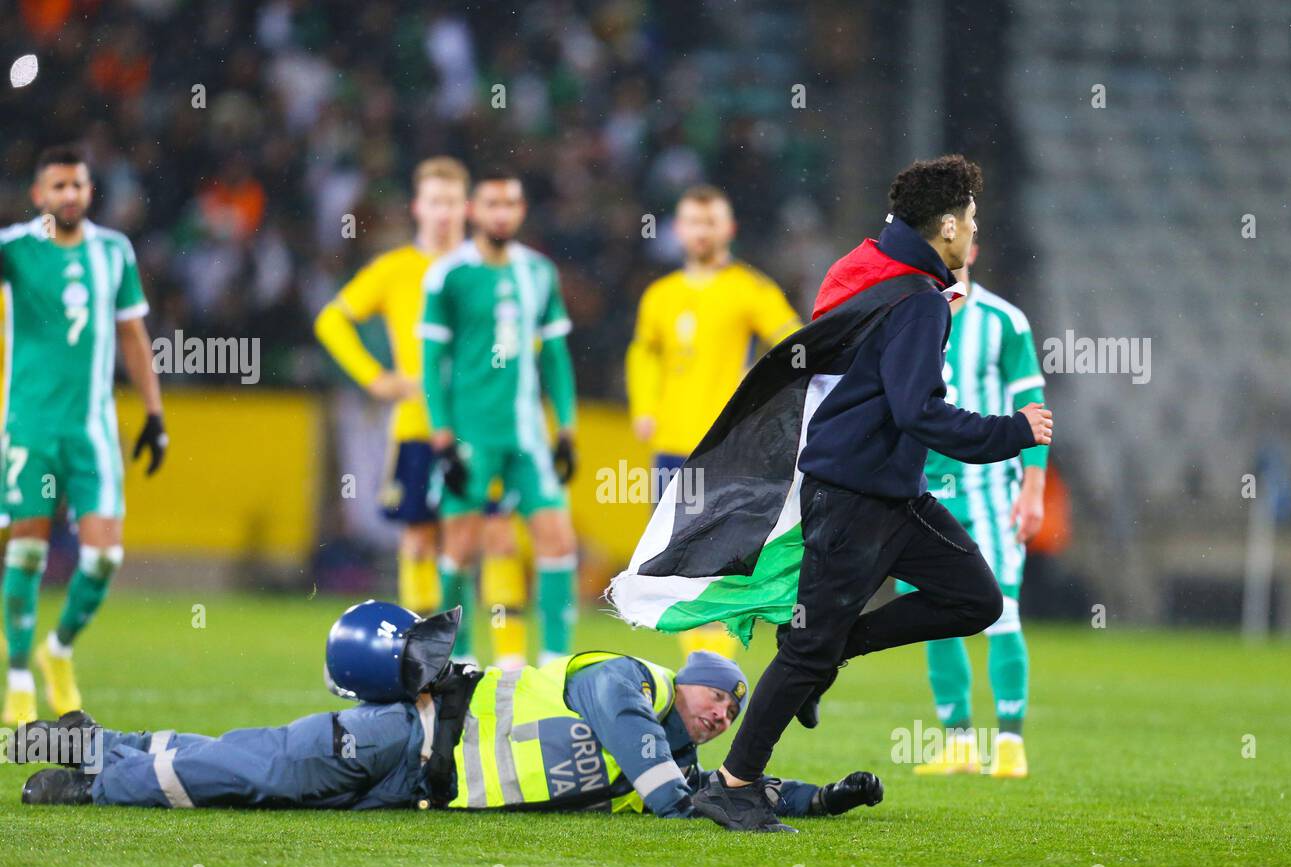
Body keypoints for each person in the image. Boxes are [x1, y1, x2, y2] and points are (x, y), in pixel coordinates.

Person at [690, 155, 1052, 831]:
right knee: (803, 652)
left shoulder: (882, 276)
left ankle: (841, 645)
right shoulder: (918, 301)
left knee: (974, 596)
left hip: (893, 491)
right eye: (970, 219)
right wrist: (1013, 430)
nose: (976, 232)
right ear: (945, 226)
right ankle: (733, 784)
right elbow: (919, 411)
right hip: (856, 494)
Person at [14, 601, 883, 825]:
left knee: (254, 775)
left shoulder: (677, 759)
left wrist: (818, 797)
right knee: (260, 768)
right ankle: (88, 784)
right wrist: (667, 790)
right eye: (721, 697)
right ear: (688, 676)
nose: (725, 715)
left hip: (414, 789)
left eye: (734, 708)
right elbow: (621, 721)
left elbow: (735, 787)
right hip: (416, 727)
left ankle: (95, 743)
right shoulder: (629, 678)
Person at [313, 158, 529, 664]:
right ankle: (431, 661)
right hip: (416, 426)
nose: (443, 213)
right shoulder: (395, 270)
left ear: (467, 208)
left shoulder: (489, 267)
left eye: (452, 203)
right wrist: (376, 378)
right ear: (418, 207)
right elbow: (332, 321)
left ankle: (511, 665)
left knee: (495, 533)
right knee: (419, 538)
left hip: (482, 427)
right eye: (434, 202)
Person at [0, 145, 167, 727]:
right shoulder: (16, 249)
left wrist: (154, 414)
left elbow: (132, 337)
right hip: (29, 424)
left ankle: (58, 650)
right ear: (39, 195)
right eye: (58, 186)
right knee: (26, 548)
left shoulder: (113, 252)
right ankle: (18, 675)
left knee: (104, 554)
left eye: (78, 185)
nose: (69, 195)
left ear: (90, 191)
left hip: (92, 428)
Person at [625, 184, 801, 662]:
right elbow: (643, 352)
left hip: (729, 446)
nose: (701, 231)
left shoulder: (749, 288)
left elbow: (793, 343)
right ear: (679, 230)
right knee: (675, 555)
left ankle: (716, 659)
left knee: (725, 556)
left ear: (729, 229)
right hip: (672, 443)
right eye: (692, 222)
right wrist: (643, 406)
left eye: (711, 222)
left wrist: (765, 381)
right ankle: (696, 659)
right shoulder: (660, 295)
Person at [419, 169, 580, 666]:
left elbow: (554, 354)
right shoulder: (448, 275)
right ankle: (458, 660)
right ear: (473, 211)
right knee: (461, 546)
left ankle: (555, 664)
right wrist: (442, 438)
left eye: (511, 203)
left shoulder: (539, 272)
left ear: (521, 211)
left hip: (528, 437)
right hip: (471, 434)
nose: (502, 213)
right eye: (492, 204)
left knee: (557, 539)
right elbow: (431, 363)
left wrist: (567, 428)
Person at [902, 241, 1048, 779]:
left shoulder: (1004, 322)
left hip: (990, 489)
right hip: (919, 490)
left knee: (1001, 609)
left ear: (974, 244)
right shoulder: (908, 313)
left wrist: (1033, 488)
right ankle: (959, 741)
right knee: (931, 616)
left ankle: (1010, 742)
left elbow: (1033, 408)